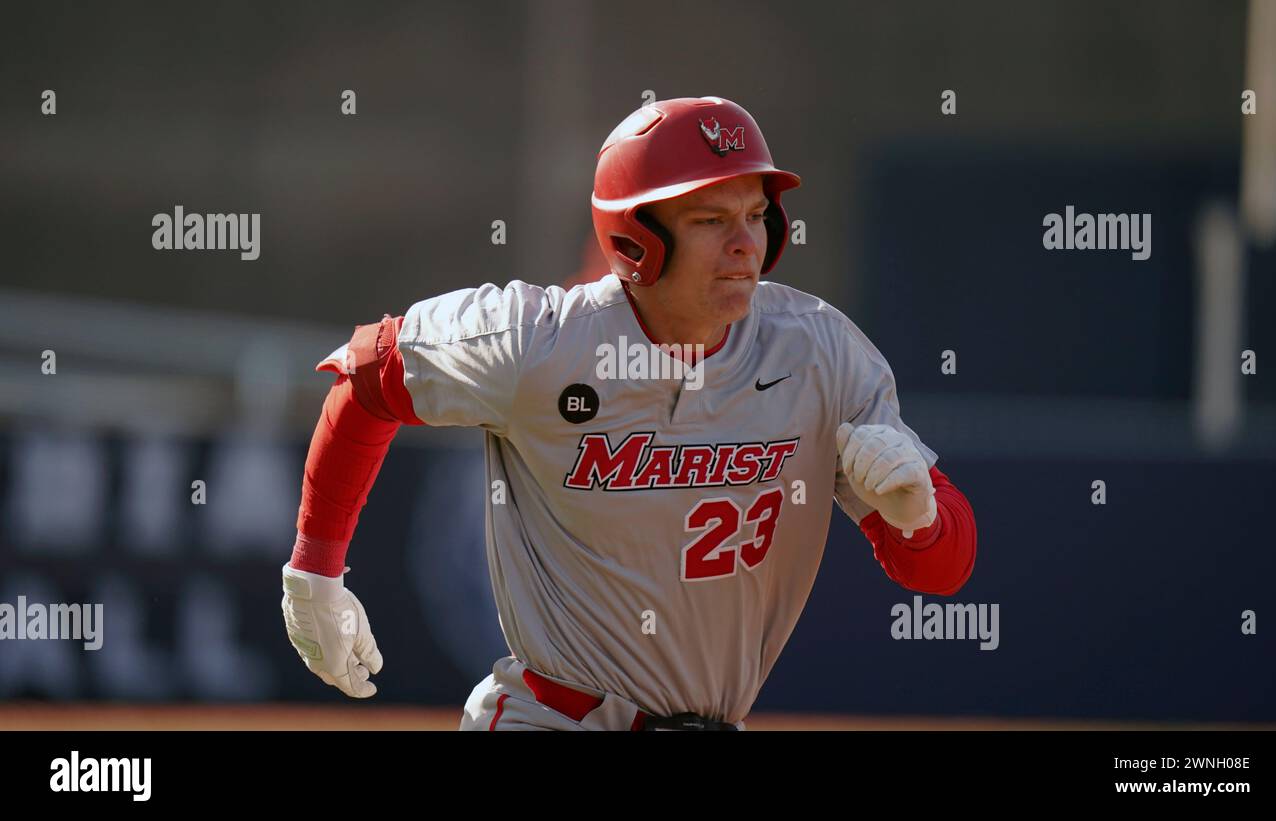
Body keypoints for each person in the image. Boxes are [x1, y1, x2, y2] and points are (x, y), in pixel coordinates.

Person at [280, 96, 978, 731]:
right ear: (635, 240)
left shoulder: (820, 350)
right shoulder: (540, 340)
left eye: (755, 215)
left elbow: (942, 571)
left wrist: (917, 519)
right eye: (710, 220)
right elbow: (368, 378)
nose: (745, 243)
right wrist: (314, 572)